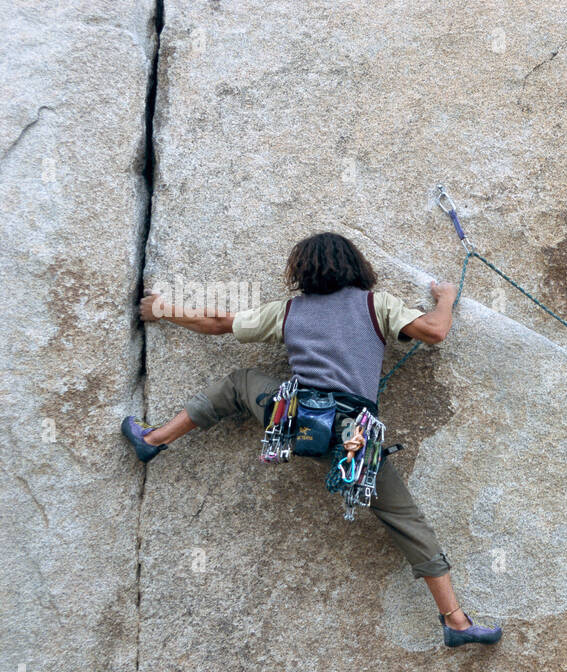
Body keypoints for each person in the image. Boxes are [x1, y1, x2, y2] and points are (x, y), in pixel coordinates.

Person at [121, 232, 502, 648]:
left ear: (302, 271)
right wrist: (445, 298)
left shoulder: (289, 312)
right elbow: (435, 331)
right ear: (356, 266)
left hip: (298, 422)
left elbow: (218, 324)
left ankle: (156, 439)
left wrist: (162, 309)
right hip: (353, 440)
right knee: (407, 520)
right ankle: (456, 621)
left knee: (241, 382)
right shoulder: (376, 304)